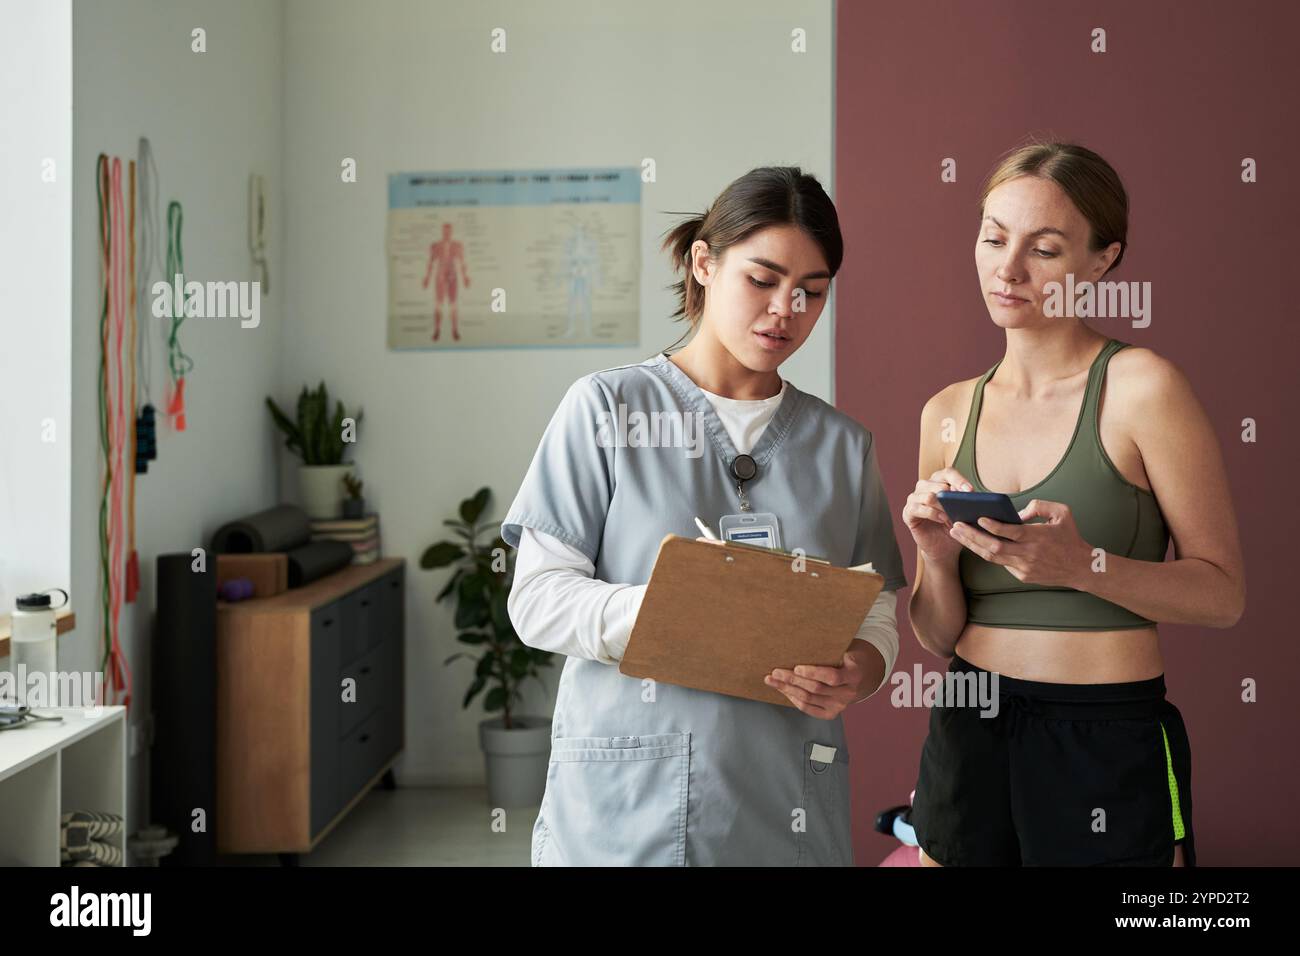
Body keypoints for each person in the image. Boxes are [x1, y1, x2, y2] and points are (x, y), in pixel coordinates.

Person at [501, 166, 907, 866]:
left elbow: (871, 613)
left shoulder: (843, 445)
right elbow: (537, 600)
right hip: (628, 808)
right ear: (704, 263)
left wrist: (861, 670)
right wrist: (684, 608)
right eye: (763, 279)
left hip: (786, 804)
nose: (786, 309)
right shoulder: (605, 410)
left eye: (811, 292)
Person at [903, 141, 1246, 867]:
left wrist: (1082, 566)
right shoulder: (946, 412)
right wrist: (935, 559)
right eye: (994, 237)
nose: (1009, 267)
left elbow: (1223, 595)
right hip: (969, 722)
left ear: (1102, 261)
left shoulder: (1142, 388)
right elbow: (936, 636)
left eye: (1045, 248)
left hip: (1103, 735)